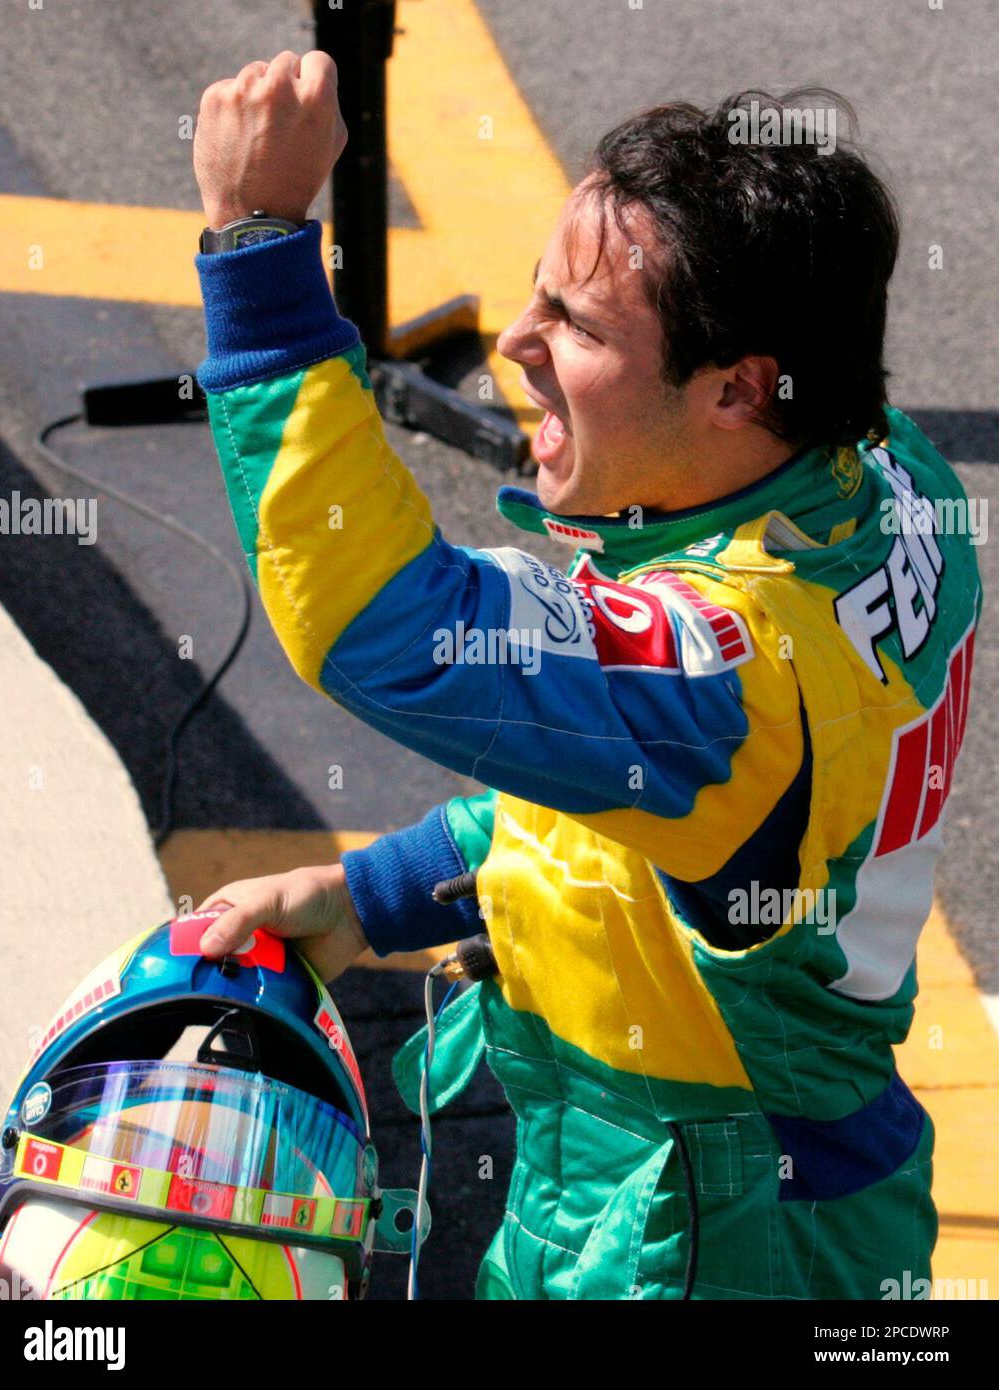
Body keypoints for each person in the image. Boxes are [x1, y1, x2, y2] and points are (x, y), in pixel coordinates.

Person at [190, 53, 981, 1299]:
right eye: (538, 298)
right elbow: (636, 802)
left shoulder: (734, 665)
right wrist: (381, 895)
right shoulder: (883, 475)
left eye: (578, 325)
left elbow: (385, 627)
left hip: (696, 1243)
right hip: (786, 1193)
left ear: (738, 389)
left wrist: (258, 251)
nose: (513, 344)